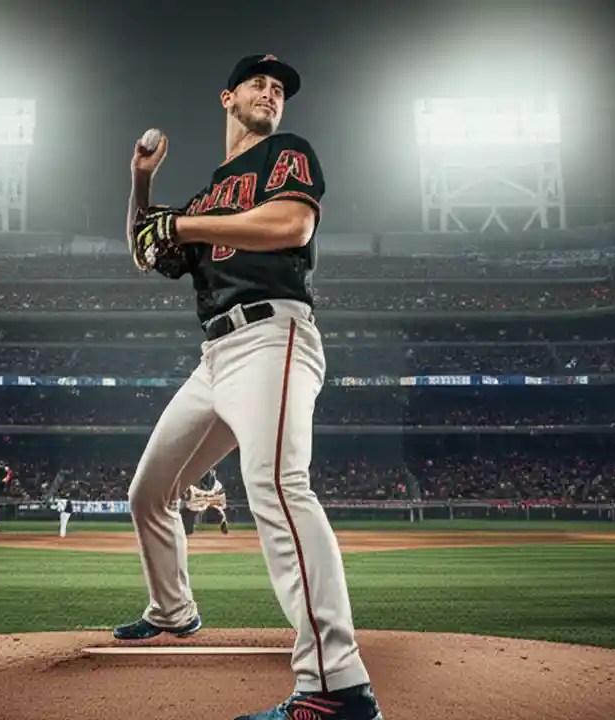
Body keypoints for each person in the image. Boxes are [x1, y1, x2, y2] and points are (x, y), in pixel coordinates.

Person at [115, 54, 382, 720]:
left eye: (279, 88)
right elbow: (148, 250)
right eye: (258, 84)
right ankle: (173, 610)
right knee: (149, 492)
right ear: (226, 97)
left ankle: (336, 685)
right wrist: (142, 187)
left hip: (273, 337)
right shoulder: (206, 196)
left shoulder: (286, 154)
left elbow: (291, 226)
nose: (271, 92)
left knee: (279, 485)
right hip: (216, 357)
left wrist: (182, 224)